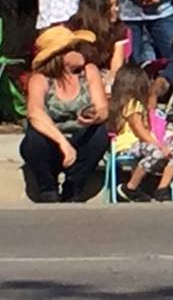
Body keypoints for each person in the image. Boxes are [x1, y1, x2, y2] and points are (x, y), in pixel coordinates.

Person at [22, 25, 109, 203]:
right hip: (52, 139)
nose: (80, 52)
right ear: (59, 56)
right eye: (74, 48)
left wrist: (95, 116)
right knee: (33, 140)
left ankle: (74, 186)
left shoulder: (89, 71)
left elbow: (103, 109)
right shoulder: (40, 79)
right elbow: (35, 113)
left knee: (99, 134)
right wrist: (63, 144)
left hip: (80, 135)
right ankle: (47, 187)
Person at [108, 63, 173, 200]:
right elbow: (138, 128)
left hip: (143, 145)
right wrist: (159, 145)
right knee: (157, 152)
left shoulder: (141, 105)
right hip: (128, 145)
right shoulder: (131, 104)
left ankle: (162, 188)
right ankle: (130, 187)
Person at [69, 0, 131, 75]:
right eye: (111, 5)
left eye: (116, 4)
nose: (116, 9)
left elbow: (116, 66)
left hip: (105, 75)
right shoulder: (74, 26)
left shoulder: (119, 28)